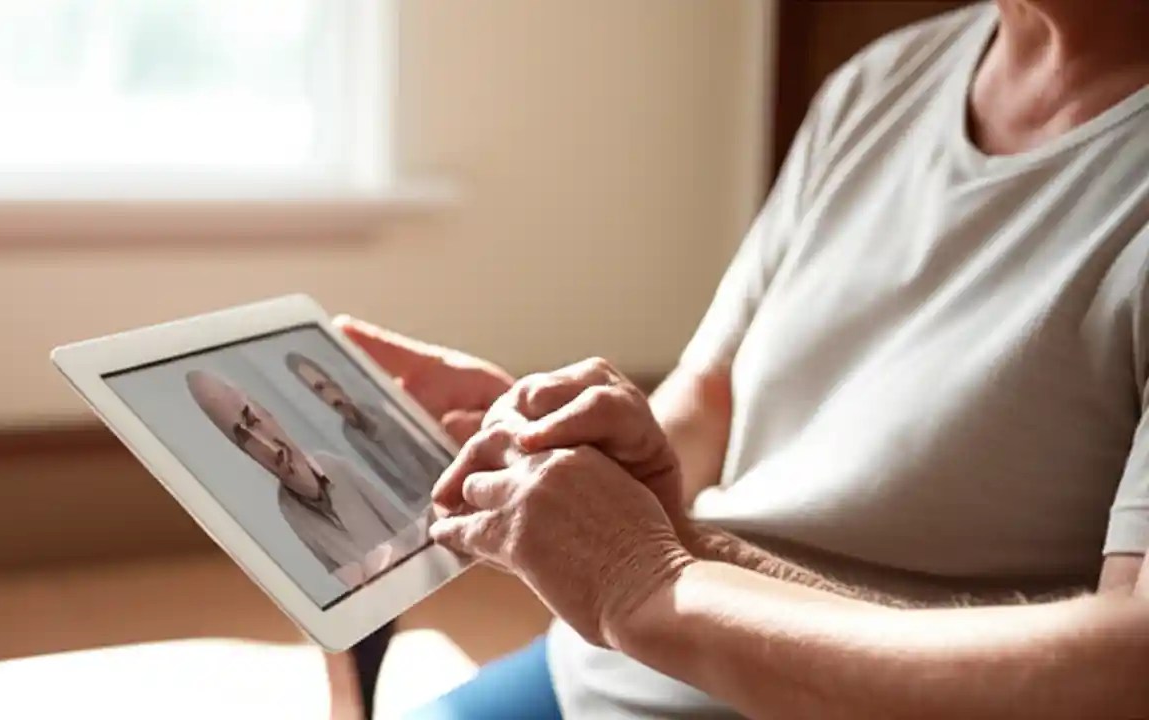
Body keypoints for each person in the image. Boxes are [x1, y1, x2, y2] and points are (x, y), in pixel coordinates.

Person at [334, 1, 1149, 717]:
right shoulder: (881, 83)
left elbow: (1125, 673)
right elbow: (709, 400)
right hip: (618, 671)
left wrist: (641, 580)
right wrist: (557, 453)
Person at [184, 370, 423, 587]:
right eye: (245, 440)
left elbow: (402, 524)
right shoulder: (288, 509)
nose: (268, 447)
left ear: (269, 415)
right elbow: (345, 579)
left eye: (253, 420)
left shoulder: (334, 465)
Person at [286, 352, 446, 509]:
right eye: (318, 391)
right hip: (422, 502)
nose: (328, 396)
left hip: (442, 477)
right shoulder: (350, 434)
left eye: (324, 386)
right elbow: (382, 472)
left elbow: (416, 446)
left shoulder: (375, 410)